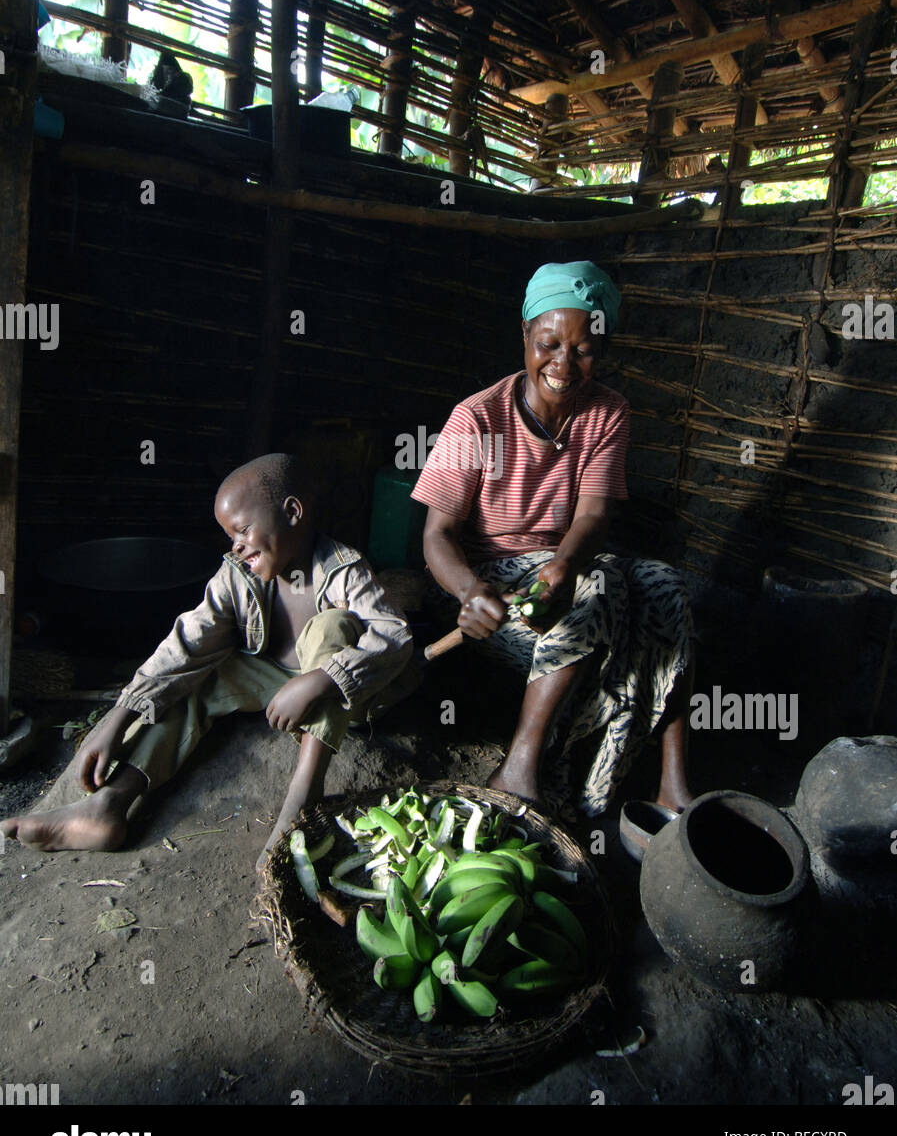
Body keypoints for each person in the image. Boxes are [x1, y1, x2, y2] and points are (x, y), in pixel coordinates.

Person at [1, 454, 414, 867]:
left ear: (292, 512)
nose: (235, 544)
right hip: (272, 682)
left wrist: (321, 678)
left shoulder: (344, 569)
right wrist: (118, 719)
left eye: (243, 530)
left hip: (347, 701)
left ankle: (303, 796)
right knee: (194, 676)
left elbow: (394, 635)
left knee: (332, 625)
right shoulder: (237, 574)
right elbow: (188, 644)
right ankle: (110, 804)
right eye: (229, 535)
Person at [411, 261, 694, 818]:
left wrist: (564, 563)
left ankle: (674, 781)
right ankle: (520, 766)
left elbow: (591, 514)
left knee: (664, 586)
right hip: (496, 586)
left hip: (568, 565)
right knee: (599, 588)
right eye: (548, 344)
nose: (563, 365)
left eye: (584, 350)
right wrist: (469, 592)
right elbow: (437, 536)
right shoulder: (476, 420)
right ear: (524, 334)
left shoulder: (608, 412)